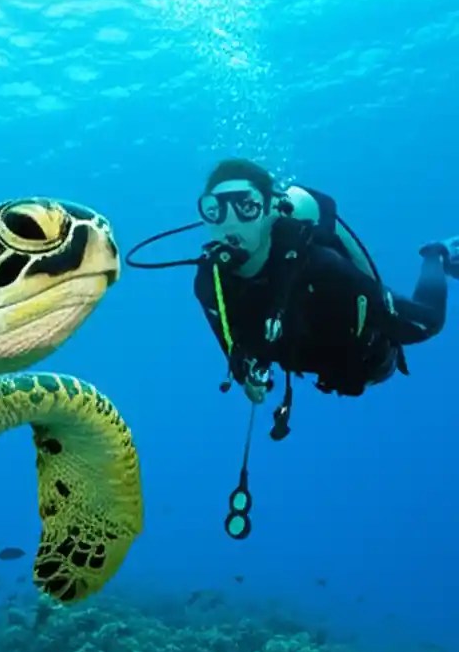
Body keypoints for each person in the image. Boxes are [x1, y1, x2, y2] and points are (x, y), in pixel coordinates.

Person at [126, 157, 458, 538]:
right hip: (306, 359)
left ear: (270, 210)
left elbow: (411, 321)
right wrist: (246, 377)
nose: (229, 221)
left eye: (246, 206)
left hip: (367, 355)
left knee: (426, 323)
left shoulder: (321, 267)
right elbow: (232, 347)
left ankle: (437, 254)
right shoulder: (210, 284)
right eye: (215, 208)